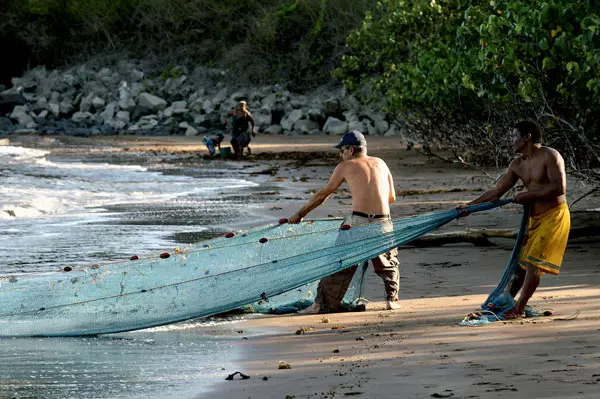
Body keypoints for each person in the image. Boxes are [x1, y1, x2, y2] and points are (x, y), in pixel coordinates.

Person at [460, 120, 570, 319]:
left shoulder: (550, 155)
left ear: (527, 137)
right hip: (533, 220)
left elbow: (559, 188)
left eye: (514, 136)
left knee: (533, 263)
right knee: (521, 264)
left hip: (555, 216)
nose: (511, 141)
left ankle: (519, 308)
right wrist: (470, 206)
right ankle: (506, 301)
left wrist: (528, 196)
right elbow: (497, 192)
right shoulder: (517, 164)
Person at [289, 130, 401, 313]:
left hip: (358, 221)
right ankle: (391, 300)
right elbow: (392, 197)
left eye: (341, 151)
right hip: (383, 222)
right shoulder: (381, 163)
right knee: (388, 262)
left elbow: (322, 195)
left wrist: (299, 214)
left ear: (350, 150)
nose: (341, 155)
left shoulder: (346, 166)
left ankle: (320, 305)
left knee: (339, 262)